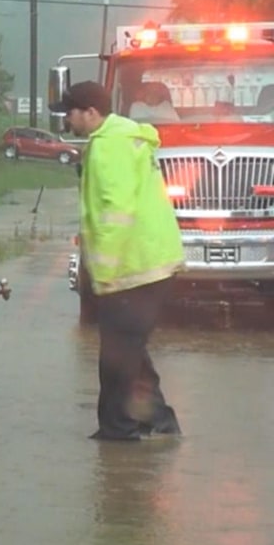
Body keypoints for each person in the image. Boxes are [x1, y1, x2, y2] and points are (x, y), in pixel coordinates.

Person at [50, 80, 187, 441]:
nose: (66, 120)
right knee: (128, 350)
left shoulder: (110, 145)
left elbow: (116, 211)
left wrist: (105, 274)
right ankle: (158, 421)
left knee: (116, 357)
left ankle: (118, 434)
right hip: (148, 261)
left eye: (70, 112)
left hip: (133, 267)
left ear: (90, 112)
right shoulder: (122, 137)